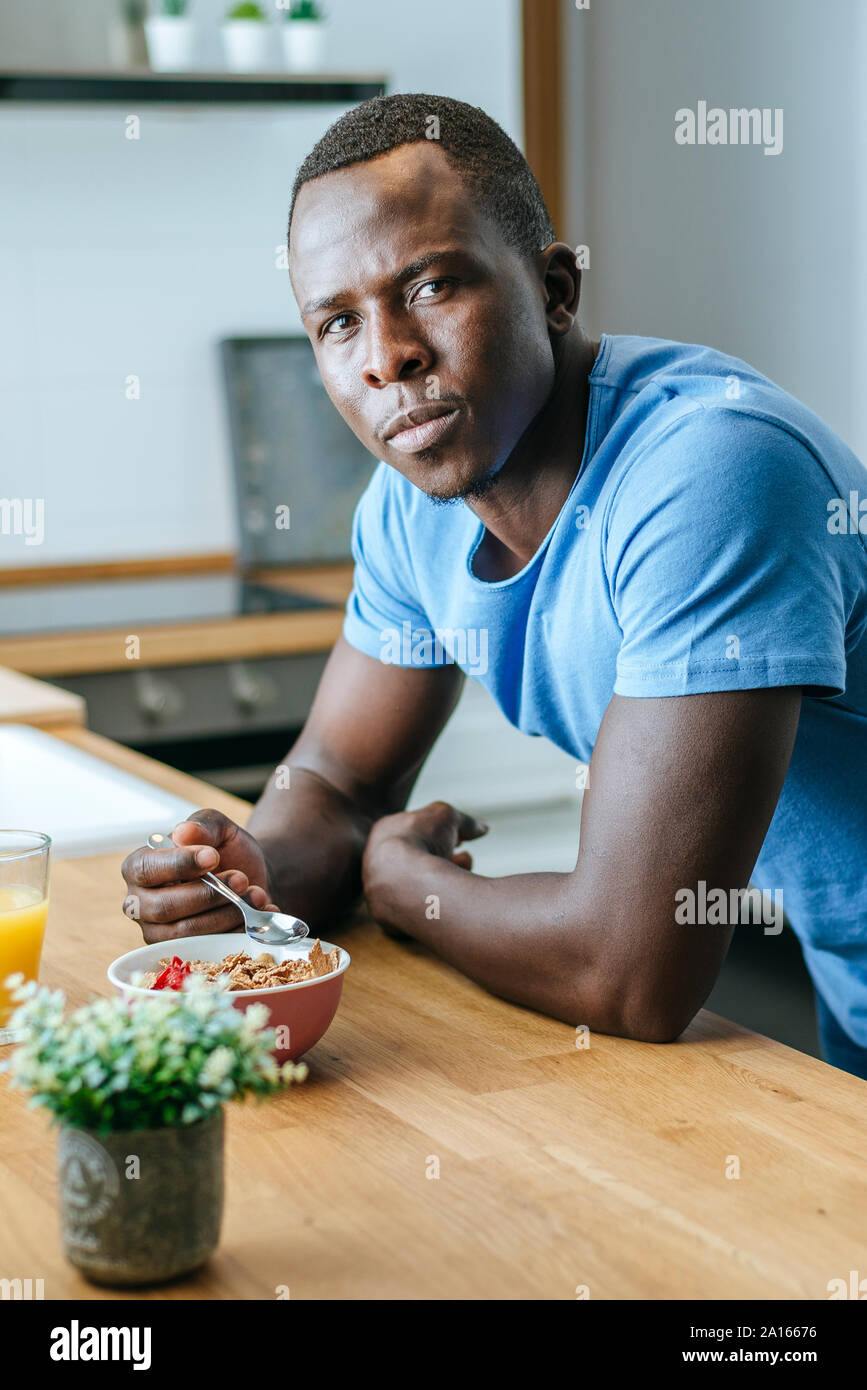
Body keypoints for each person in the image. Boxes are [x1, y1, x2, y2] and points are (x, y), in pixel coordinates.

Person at [122, 94, 867, 1077]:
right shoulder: (410, 509)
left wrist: (406, 885)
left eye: (430, 286)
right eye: (338, 322)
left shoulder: (713, 472)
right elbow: (339, 784)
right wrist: (249, 879)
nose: (387, 355)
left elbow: (629, 969)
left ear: (554, 288)